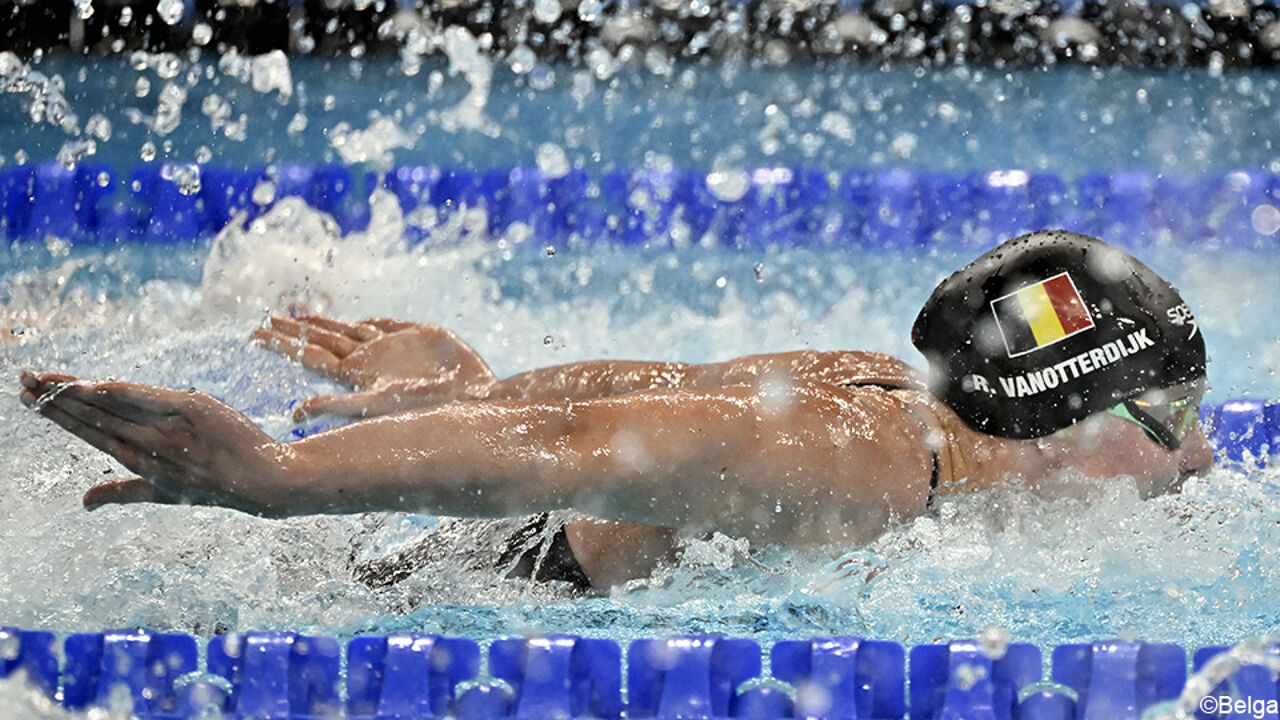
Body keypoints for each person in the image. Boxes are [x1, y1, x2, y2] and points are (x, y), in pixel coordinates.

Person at [19, 230, 1213, 591]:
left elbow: (644, 390)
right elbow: (580, 447)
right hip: (489, 592)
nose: (1197, 452)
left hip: (509, 552)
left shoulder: (898, 390)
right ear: (1065, 419)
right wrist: (277, 477)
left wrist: (478, 389)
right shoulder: (870, 460)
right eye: (1168, 421)